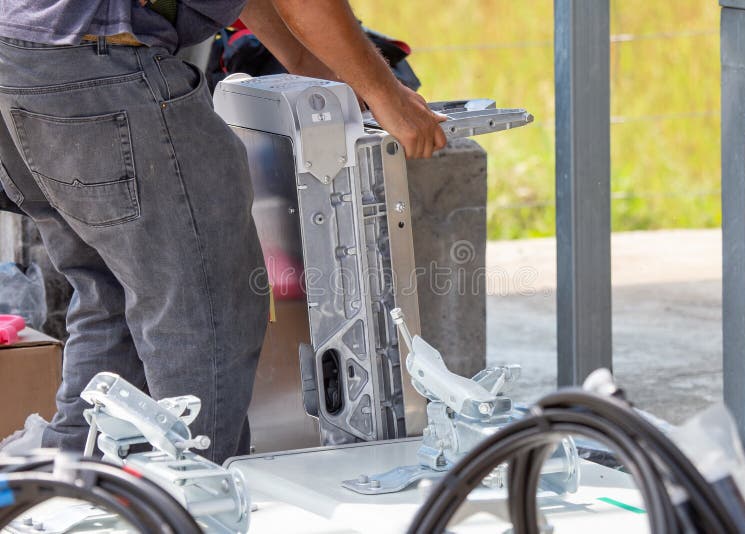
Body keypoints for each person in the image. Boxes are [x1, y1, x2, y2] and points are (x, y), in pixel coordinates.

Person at [0, 0, 446, 464]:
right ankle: (195, 503)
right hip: (100, 70)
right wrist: (387, 95)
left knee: (111, 296)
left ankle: (77, 487)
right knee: (203, 311)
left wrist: (308, 64)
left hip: (22, 62)